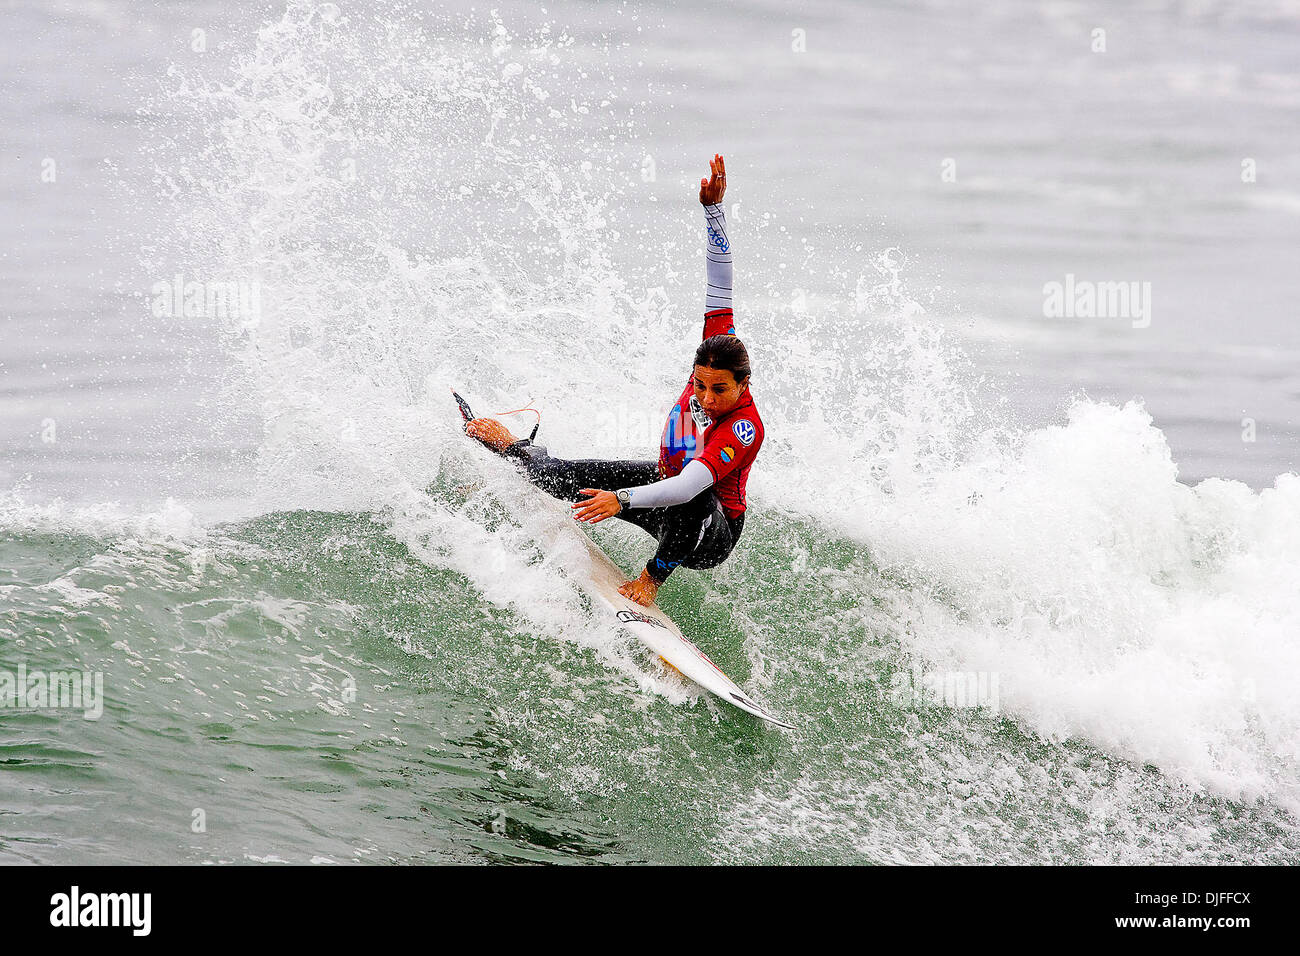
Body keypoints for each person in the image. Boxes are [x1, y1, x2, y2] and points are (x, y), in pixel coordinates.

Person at [466, 153, 763, 607]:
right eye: (700, 384)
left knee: (692, 491)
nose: (705, 397)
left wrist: (620, 501)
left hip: (708, 532)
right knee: (557, 476)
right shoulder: (715, 350)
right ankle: (512, 446)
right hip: (665, 491)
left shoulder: (743, 427)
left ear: (743, 384)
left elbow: (688, 488)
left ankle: (650, 581)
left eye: (719, 389)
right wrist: (713, 210)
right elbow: (720, 281)